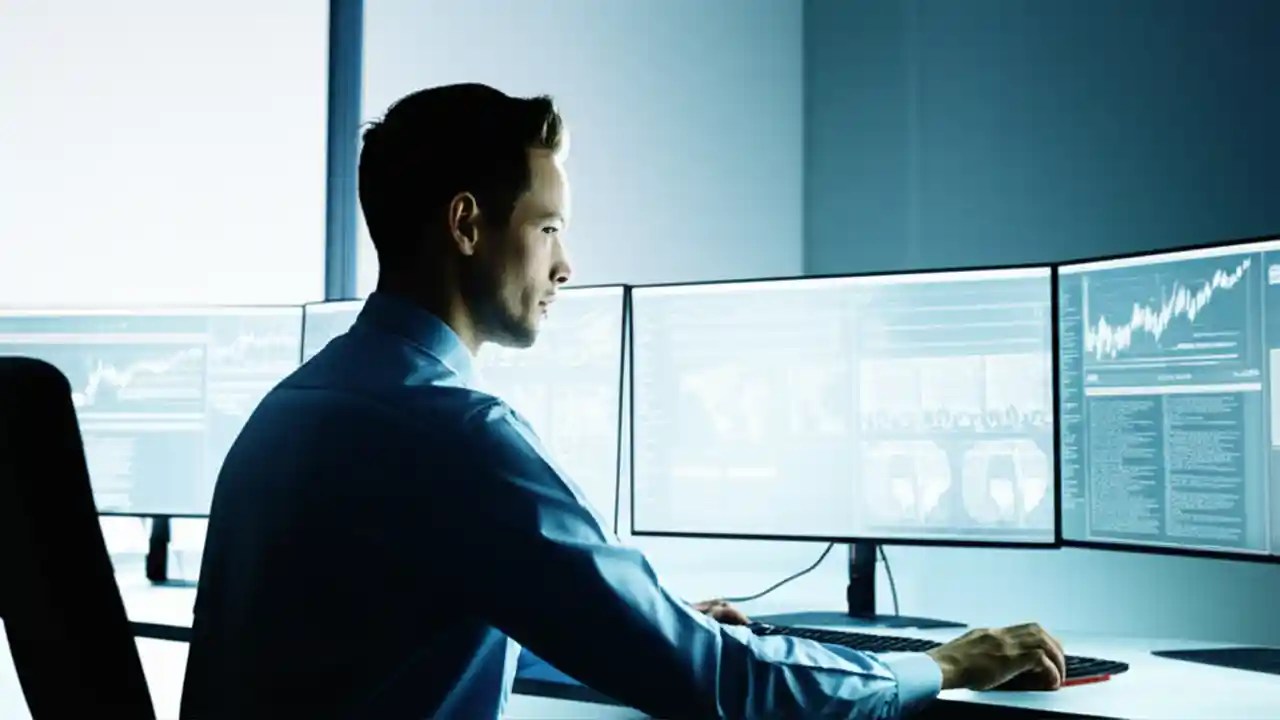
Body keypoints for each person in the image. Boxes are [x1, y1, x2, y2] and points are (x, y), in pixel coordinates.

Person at [180, 83, 1066, 719]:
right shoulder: (452, 433)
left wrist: (634, 624)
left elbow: (383, 639)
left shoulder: (297, 405)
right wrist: (939, 667)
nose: (567, 266)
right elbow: (715, 686)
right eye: (550, 228)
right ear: (465, 225)